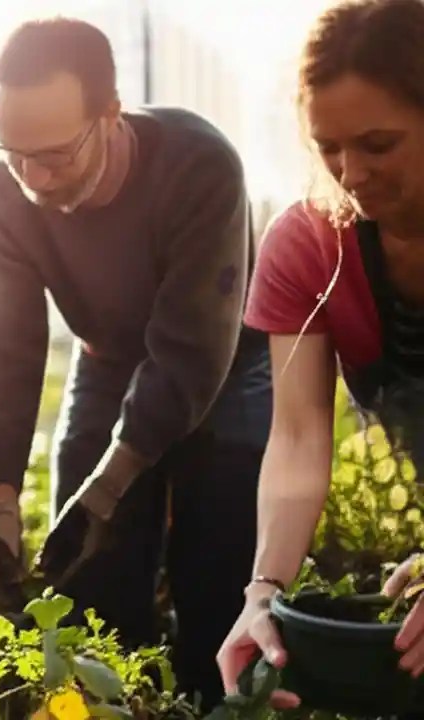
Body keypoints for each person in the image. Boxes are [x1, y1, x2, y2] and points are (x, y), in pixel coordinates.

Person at [0, 16, 272, 708]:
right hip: (107, 364)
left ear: (111, 114)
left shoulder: (200, 166)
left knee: (219, 580)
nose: (34, 179)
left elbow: (191, 353)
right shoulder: (5, 197)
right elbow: (3, 352)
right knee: (90, 591)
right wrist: (2, 507)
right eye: (12, 153)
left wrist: (111, 487)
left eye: (53, 155)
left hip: (224, 364)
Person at [217, 0, 424, 708]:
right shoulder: (310, 244)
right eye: (328, 147)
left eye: (378, 144)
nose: (351, 172)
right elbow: (301, 435)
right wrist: (264, 592)